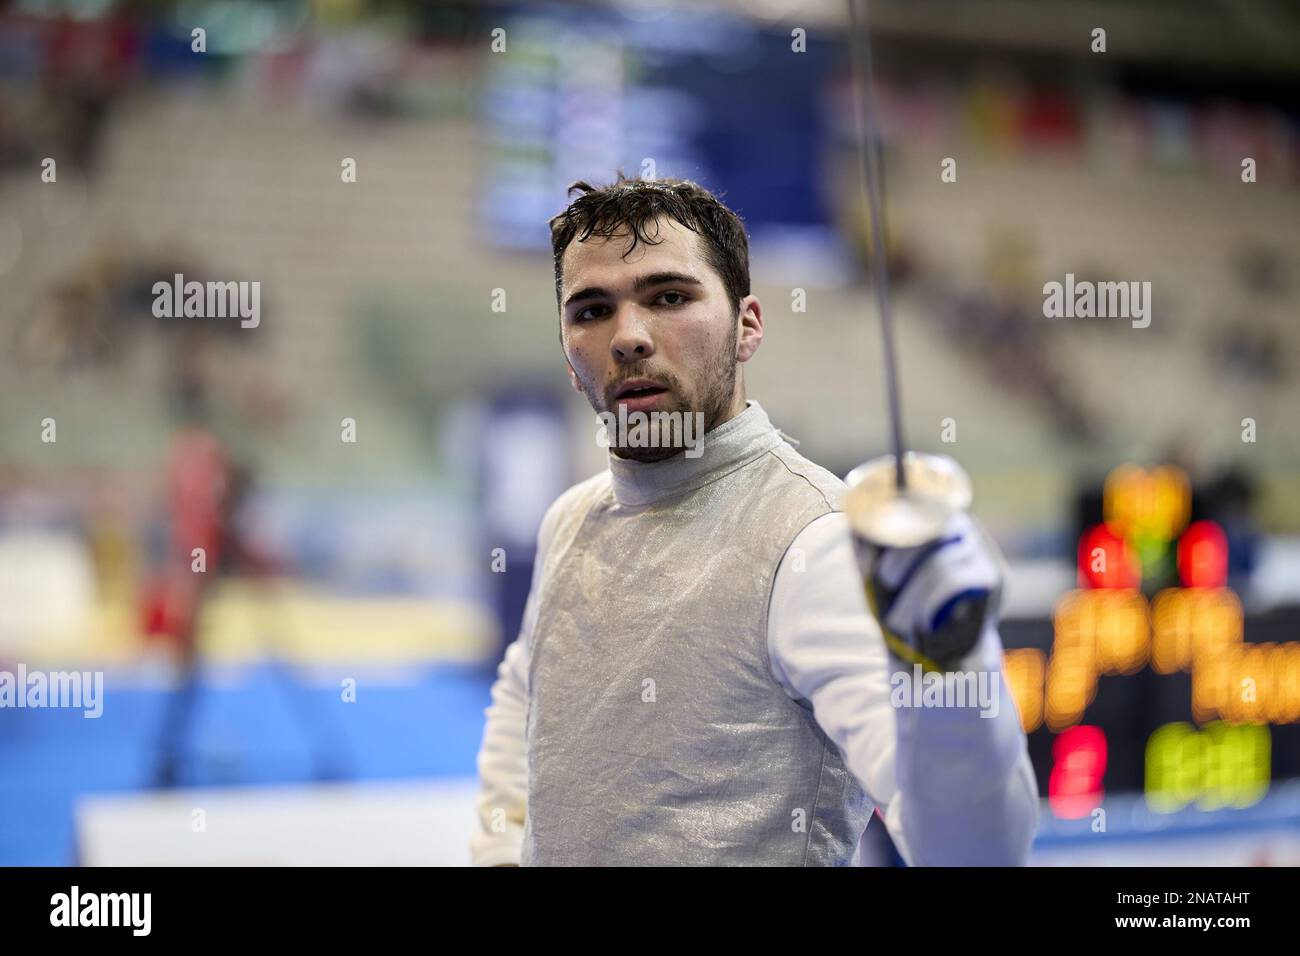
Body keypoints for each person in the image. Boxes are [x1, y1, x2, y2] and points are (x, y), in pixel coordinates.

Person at [470, 175, 1038, 866]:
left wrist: (949, 664)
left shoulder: (816, 543)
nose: (629, 337)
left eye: (669, 297)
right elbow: (521, 701)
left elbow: (973, 850)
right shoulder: (571, 519)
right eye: (591, 310)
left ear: (747, 327)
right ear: (566, 354)